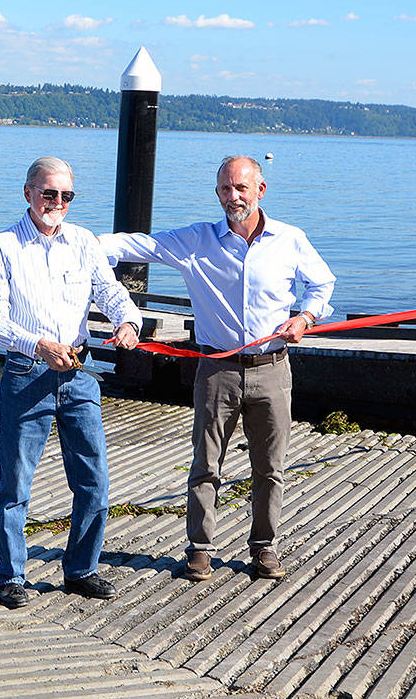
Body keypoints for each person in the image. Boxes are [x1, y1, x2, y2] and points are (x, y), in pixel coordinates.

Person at [99, 155, 335, 581]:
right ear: (217, 193)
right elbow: (134, 245)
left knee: (271, 467)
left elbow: (322, 283)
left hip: (272, 368)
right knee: (205, 464)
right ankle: (199, 549)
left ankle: (264, 548)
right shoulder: (197, 241)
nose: (233, 197)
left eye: (241, 188)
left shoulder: (290, 239)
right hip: (215, 370)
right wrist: (70, 241)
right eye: (225, 189)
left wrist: (306, 318)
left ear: (260, 190)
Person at [0, 156, 143, 609]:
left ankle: (81, 570)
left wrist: (128, 321)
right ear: (27, 192)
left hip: (78, 374)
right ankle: (11, 575)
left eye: (66, 195)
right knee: (16, 483)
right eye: (49, 193)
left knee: (94, 480)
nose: (58, 203)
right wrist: (37, 346)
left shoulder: (84, 241)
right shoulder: (4, 245)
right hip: (26, 373)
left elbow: (110, 291)